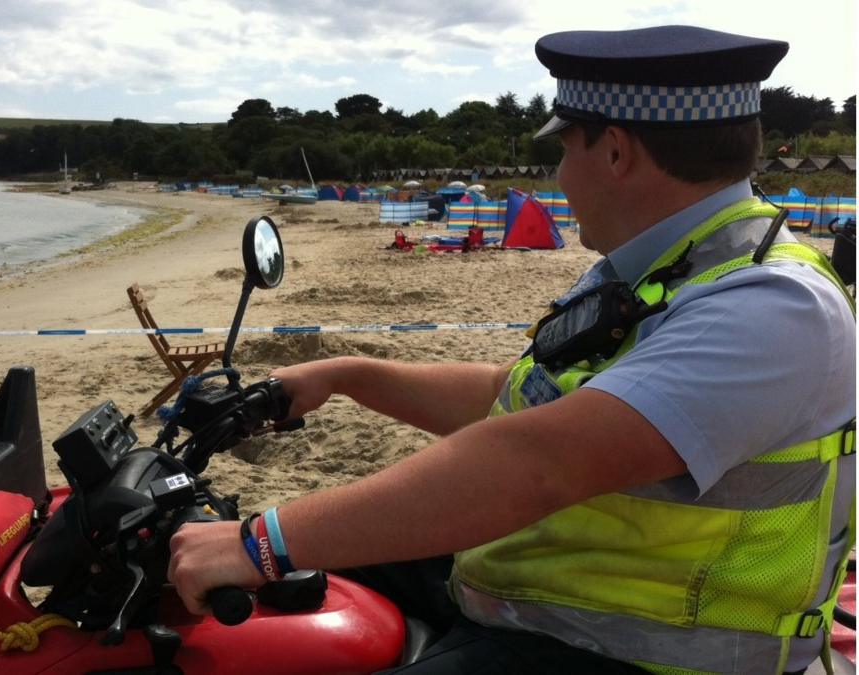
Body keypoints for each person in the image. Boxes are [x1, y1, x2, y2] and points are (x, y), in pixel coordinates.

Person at [168, 25, 855, 675]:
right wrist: (350, 375)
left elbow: (538, 462)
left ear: (615, 152)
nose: (557, 172)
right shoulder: (668, 264)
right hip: (545, 591)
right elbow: (525, 398)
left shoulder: (770, 308)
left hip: (638, 651)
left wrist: (260, 542)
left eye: (564, 149)